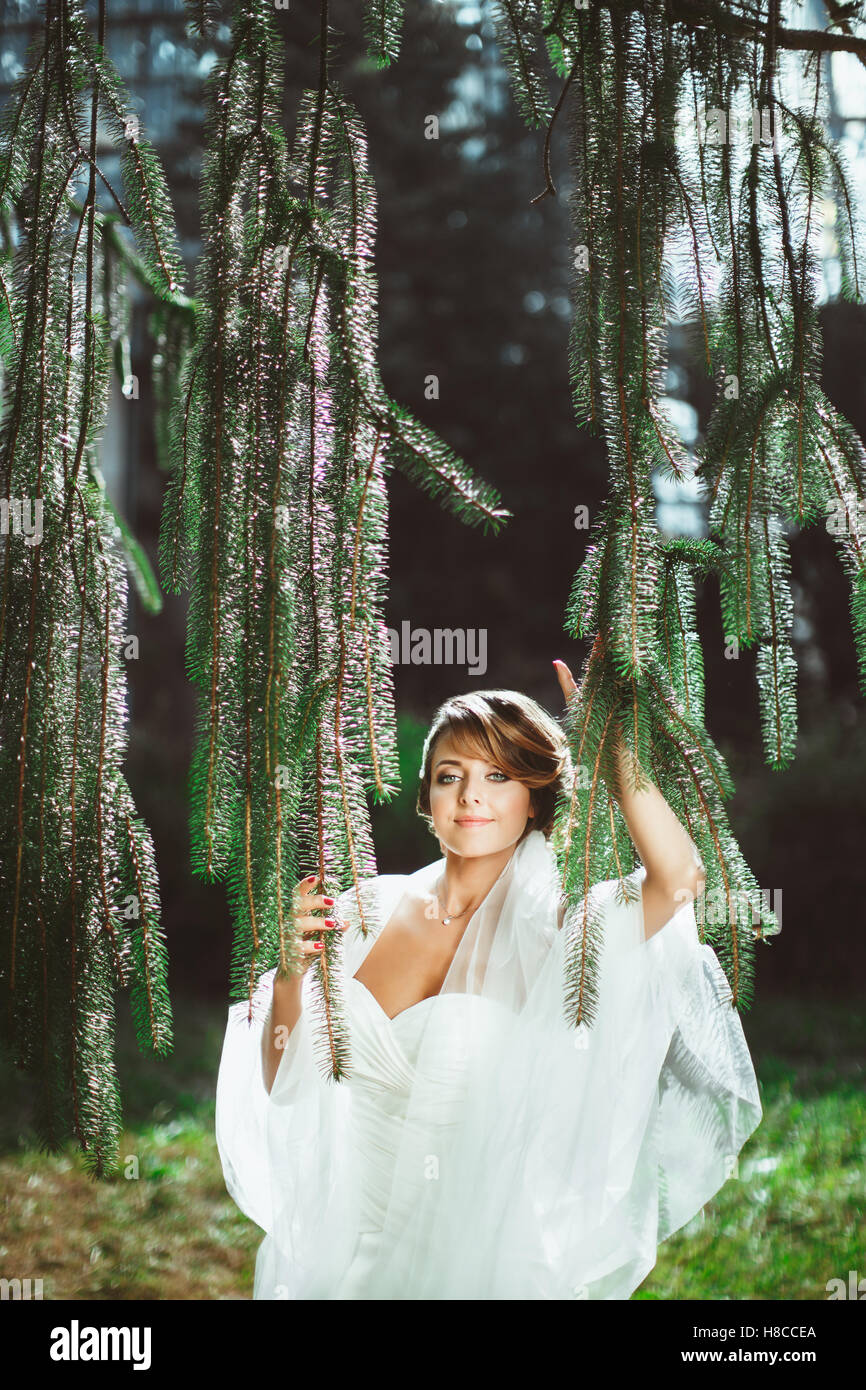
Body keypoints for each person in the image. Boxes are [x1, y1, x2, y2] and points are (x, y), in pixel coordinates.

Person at [215, 662, 762, 1299]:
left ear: (534, 798)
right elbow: (284, 1084)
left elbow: (677, 879)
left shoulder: (562, 929)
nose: (471, 796)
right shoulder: (363, 911)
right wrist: (288, 978)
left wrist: (613, 749)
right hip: (346, 1269)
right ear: (427, 801)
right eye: (452, 777)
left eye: (497, 777)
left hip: (485, 1266)